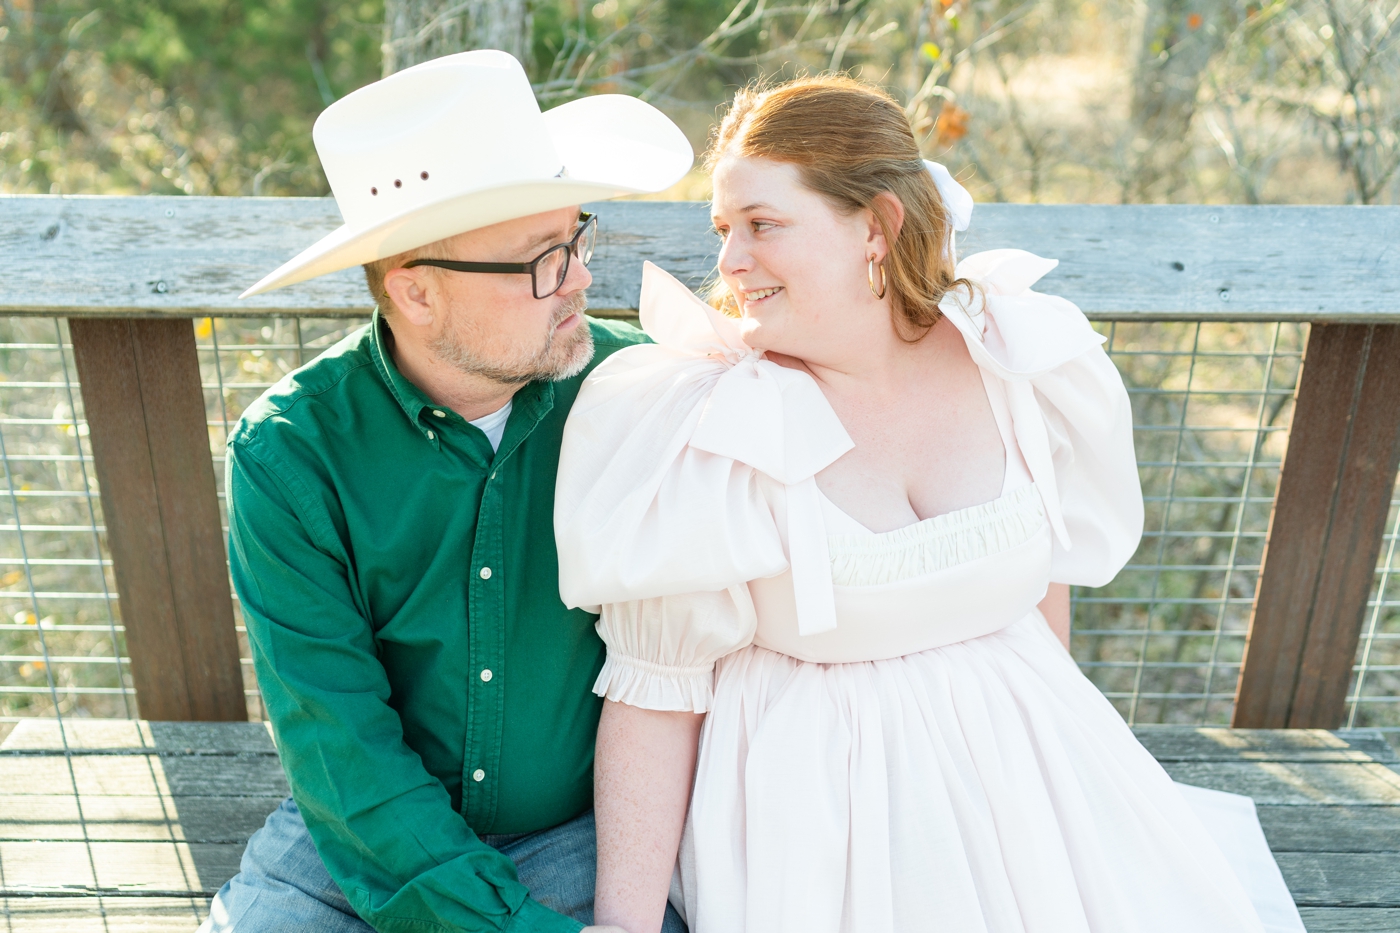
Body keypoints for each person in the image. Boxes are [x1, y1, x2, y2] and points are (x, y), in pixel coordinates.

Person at [554, 76, 1306, 933]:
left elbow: (1043, 597)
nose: (729, 262)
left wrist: (1064, 801)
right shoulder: (711, 421)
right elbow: (655, 694)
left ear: (876, 225)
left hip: (1036, 796)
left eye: (763, 225)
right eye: (724, 229)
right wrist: (624, 925)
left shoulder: (1010, 354)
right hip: (826, 841)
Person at [201, 50, 692, 933]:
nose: (581, 278)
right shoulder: (290, 455)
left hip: (577, 836)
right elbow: (342, 754)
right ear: (417, 293)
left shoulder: (643, 392)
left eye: (577, 238)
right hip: (355, 845)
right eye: (544, 259)